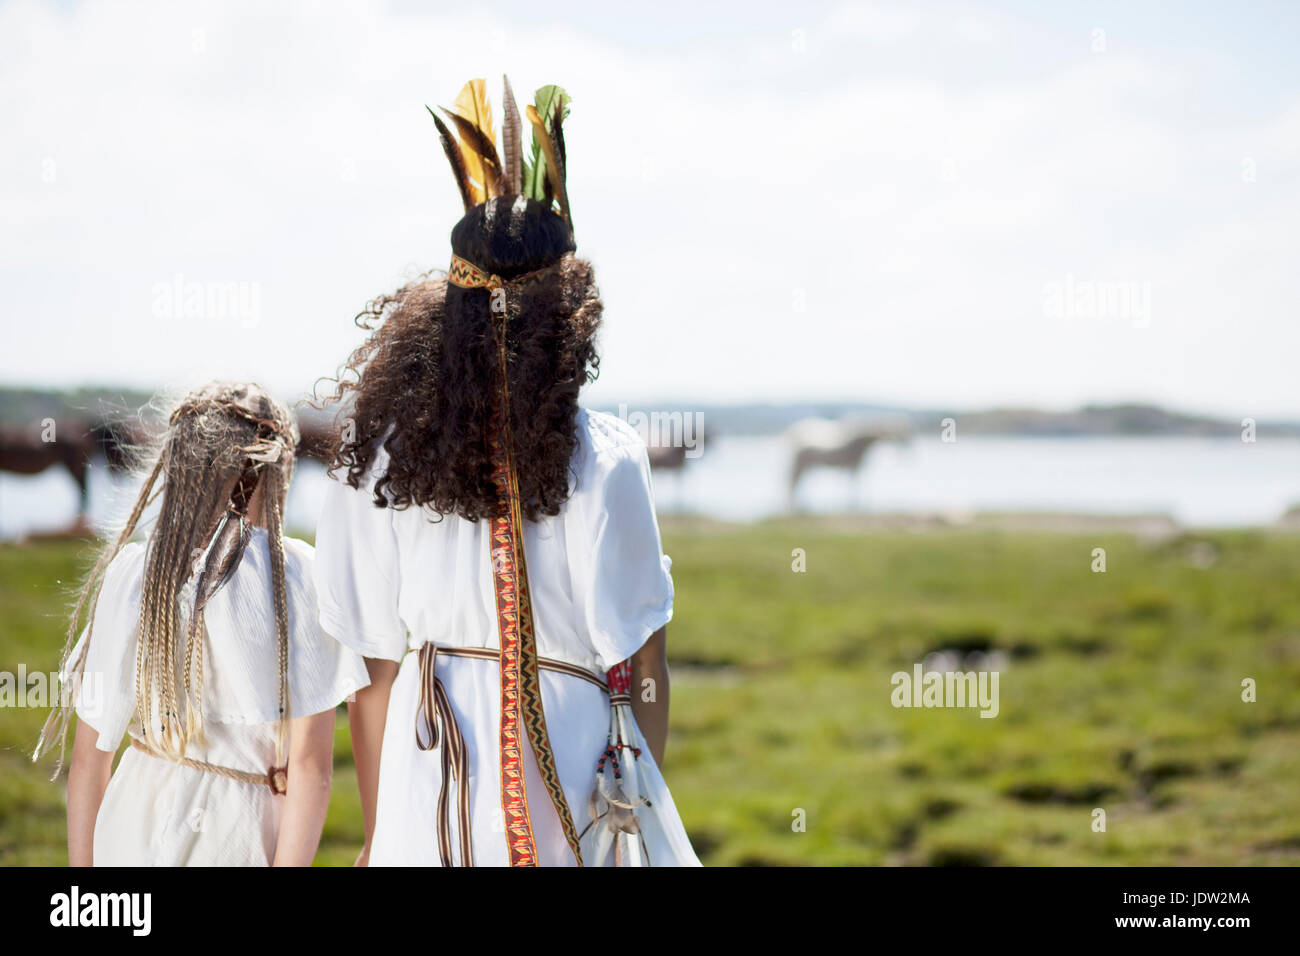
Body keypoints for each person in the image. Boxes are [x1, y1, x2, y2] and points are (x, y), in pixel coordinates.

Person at [314, 77, 699, 866]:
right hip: (569, 751)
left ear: (447, 312)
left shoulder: (377, 455)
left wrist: (382, 832)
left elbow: (373, 672)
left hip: (425, 763)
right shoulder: (608, 456)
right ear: (569, 318)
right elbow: (644, 666)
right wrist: (635, 811)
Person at [36, 382, 369, 866]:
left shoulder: (137, 574)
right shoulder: (297, 579)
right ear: (273, 472)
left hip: (130, 830)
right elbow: (311, 770)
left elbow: (89, 761)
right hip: (236, 838)